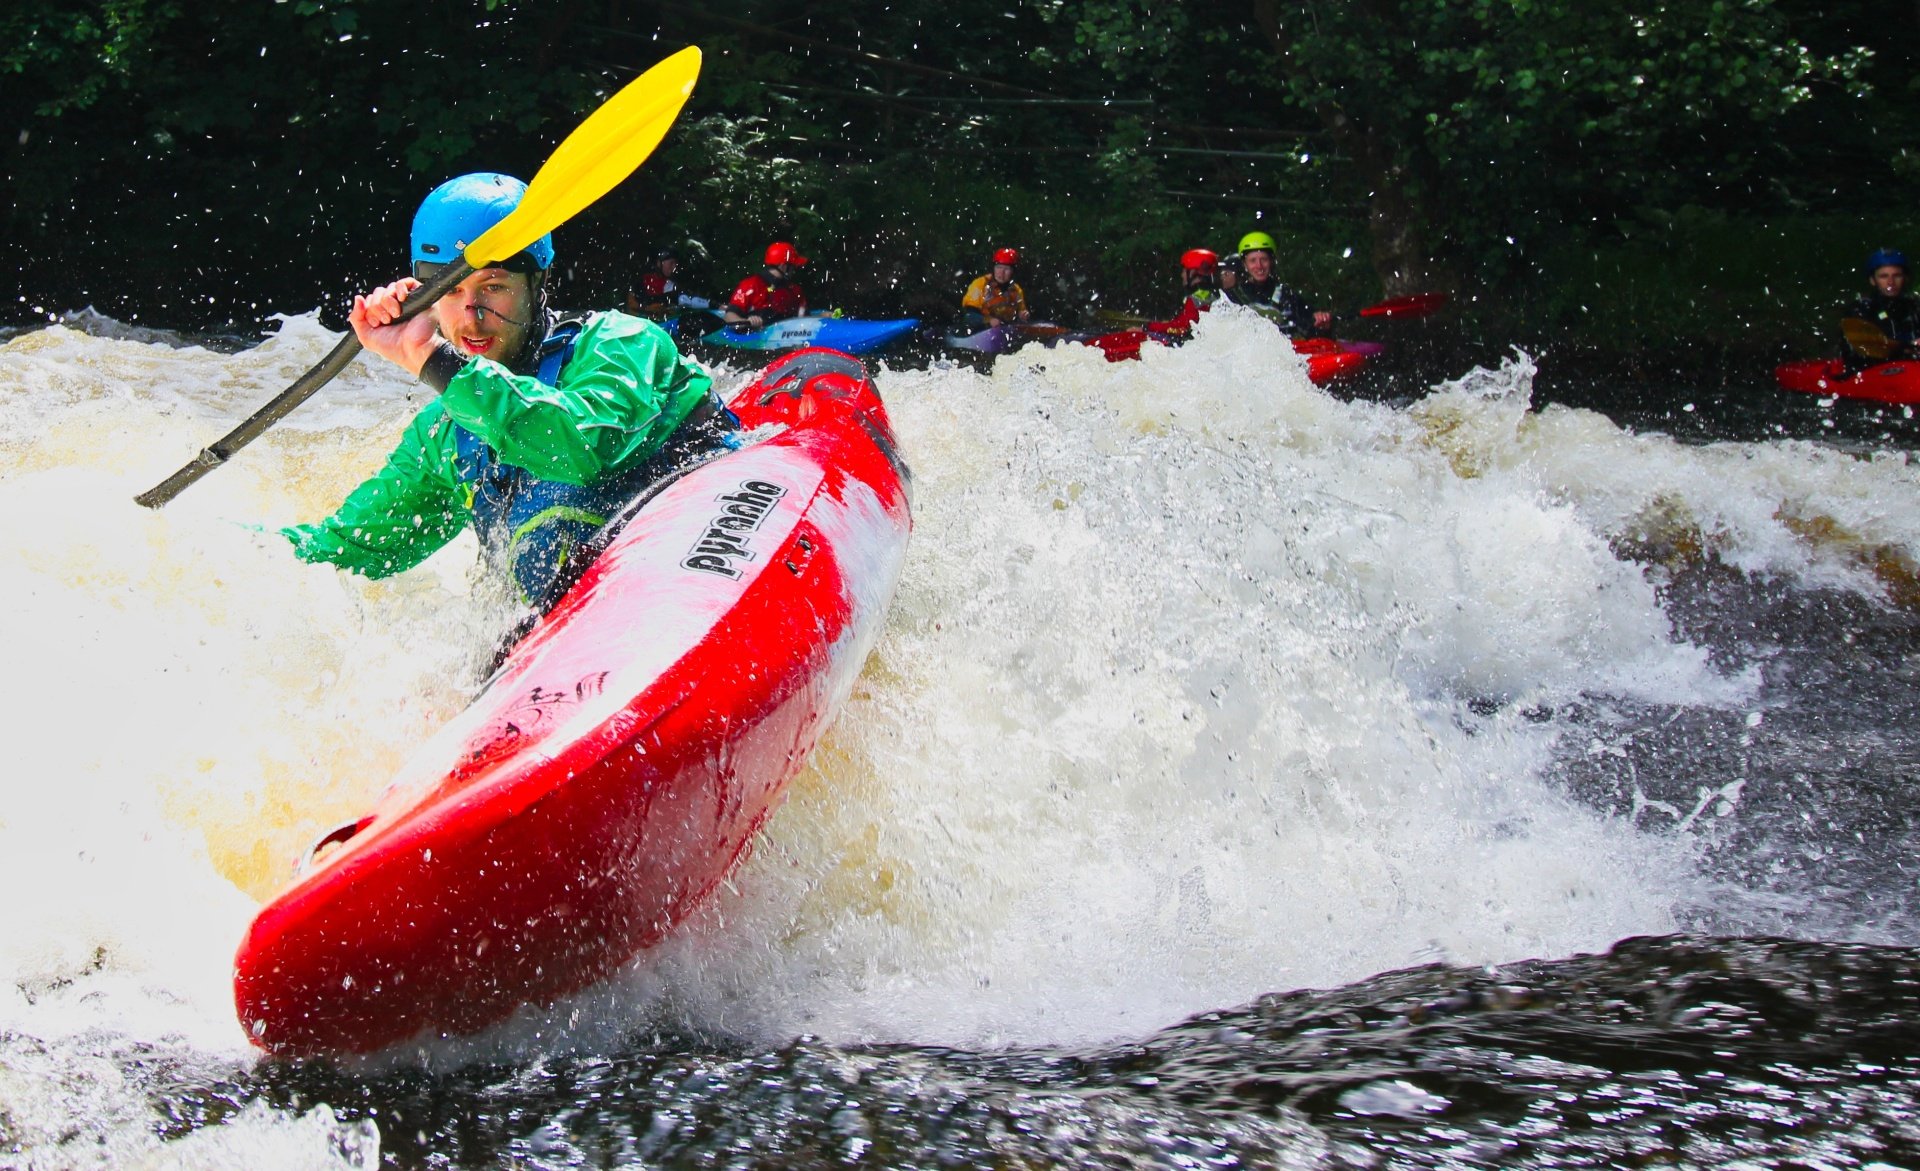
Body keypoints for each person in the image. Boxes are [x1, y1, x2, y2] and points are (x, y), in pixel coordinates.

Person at [281, 172, 737, 614]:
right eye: (452, 291)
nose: (470, 316)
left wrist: (430, 356)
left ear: (537, 283)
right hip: (583, 636)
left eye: (493, 287)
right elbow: (352, 548)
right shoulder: (444, 435)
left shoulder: (623, 344)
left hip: (704, 554)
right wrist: (231, 547)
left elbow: (582, 448)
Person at [1227, 230, 1332, 336]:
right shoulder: (1233, 297)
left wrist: (1322, 324)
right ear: (1245, 264)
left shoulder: (1288, 296)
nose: (1259, 266)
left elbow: (1313, 332)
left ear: (1272, 261)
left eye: (1264, 259)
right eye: (1252, 261)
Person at [1849, 247, 1920, 361]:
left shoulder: (1915, 306)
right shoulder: (1862, 309)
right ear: (1873, 280)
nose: (1890, 282)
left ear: (1905, 278)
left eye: (1897, 275)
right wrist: (1905, 347)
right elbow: (1860, 351)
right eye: (1884, 276)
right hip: (1876, 369)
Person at [724, 242, 809, 330]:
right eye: (793, 266)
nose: (794, 270)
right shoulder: (751, 285)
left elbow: (804, 318)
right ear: (784, 267)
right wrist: (748, 322)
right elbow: (729, 316)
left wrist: (822, 317)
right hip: (758, 339)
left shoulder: (795, 290)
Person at [1146, 249, 1220, 338]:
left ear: (1193, 272)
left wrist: (1147, 327)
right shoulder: (1211, 292)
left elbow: (1182, 327)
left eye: (1184, 271)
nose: (1182, 275)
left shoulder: (1200, 296)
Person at [960, 247, 1032, 328]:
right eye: (999, 267)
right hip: (978, 331)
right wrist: (989, 320)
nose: (1001, 273)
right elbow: (969, 315)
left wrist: (1023, 315)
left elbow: (1021, 312)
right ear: (993, 268)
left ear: (1013, 271)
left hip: (1003, 330)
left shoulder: (1016, 290)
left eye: (1006, 269)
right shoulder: (980, 284)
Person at [626, 248, 682, 315]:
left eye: (676, 263)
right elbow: (631, 305)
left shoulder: (673, 286)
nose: (674, 267)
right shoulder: (640, 282)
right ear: (659, 263)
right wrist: (646, 309)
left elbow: (673, 309)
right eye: (671, 263)